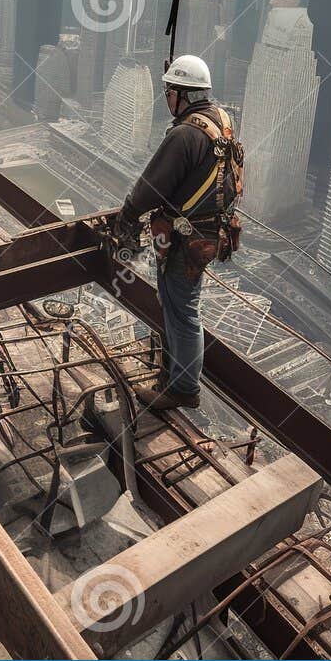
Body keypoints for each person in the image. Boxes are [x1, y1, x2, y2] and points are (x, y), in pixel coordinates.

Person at [111, 54, 244, 411]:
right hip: (209, 232)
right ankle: (174, 376)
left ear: (182, 95)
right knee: (178, 305)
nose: (167, 99)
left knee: (182, 310)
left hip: (186, 239)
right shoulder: (221, 120)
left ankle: (183, 388)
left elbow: (149, 188)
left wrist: (127, 216)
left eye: (170, 92)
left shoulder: (186, 134)